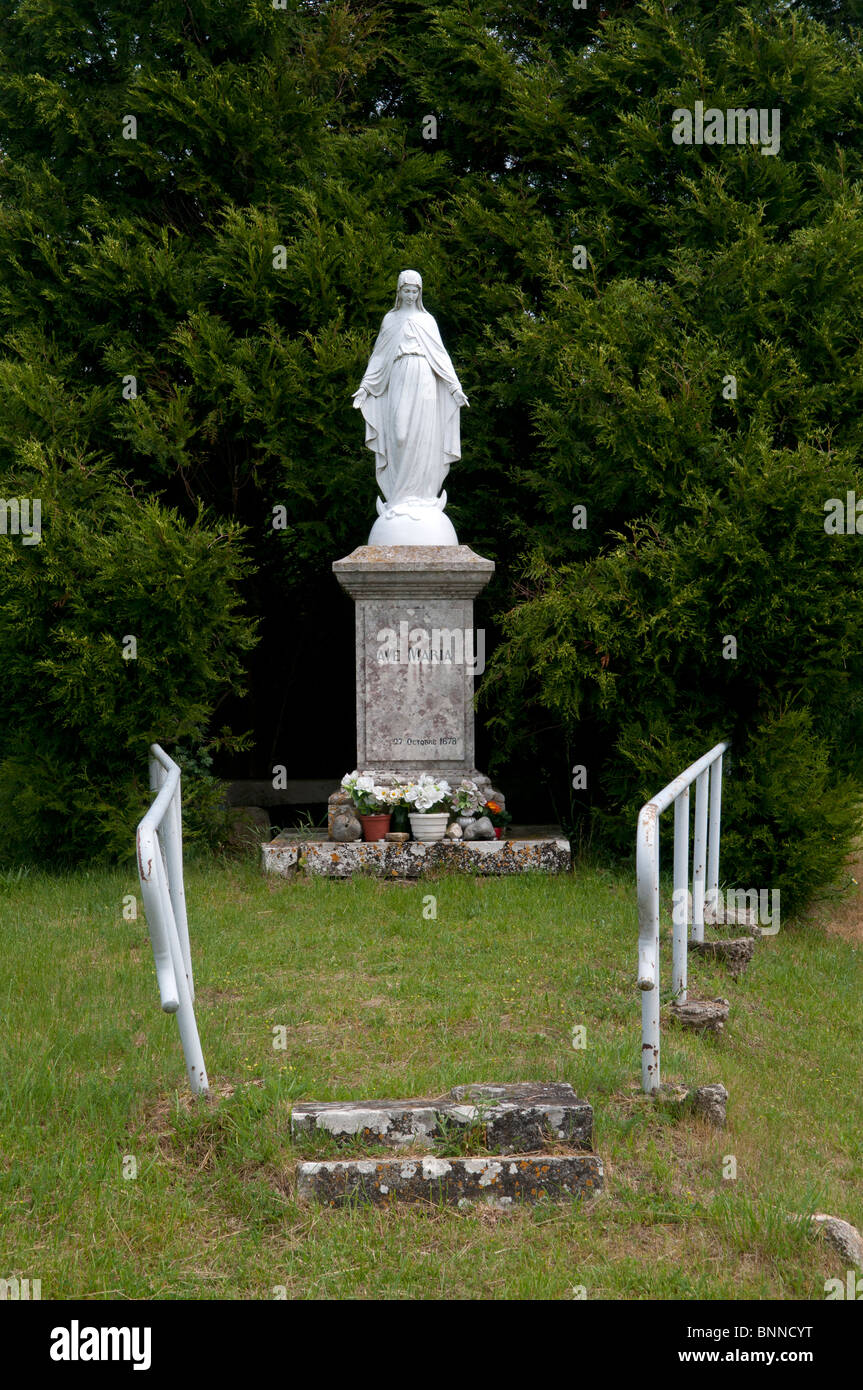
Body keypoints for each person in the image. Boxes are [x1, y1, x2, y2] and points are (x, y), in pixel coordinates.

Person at [352, 270, 468, 510]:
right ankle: (398, 496)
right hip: (398, 374)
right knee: (400, 433)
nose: (411, 295)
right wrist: (364, 388)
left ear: (420, 292)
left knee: (424, 436)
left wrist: (455, 388)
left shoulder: (428, 321)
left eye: (415, 291)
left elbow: (441, 356)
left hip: (424, 377)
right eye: (406, 291)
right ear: (399, 291)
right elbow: (379, 356)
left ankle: (422, 497)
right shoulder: (391, 320)